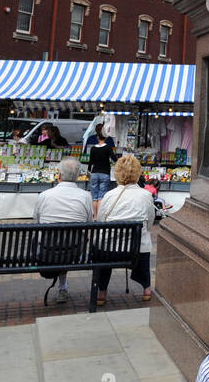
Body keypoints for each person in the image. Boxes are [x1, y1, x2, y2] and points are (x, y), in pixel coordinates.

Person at [93, 155, 156, 304]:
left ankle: (101, 292)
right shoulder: (146, 195)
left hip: (109, 250)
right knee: (144, 240)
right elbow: (150, 222)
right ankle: (146, 288)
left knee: (102, 246)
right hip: (136, 250)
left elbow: (101, 221)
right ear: (138, 173)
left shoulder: (109, 195)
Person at [32, 156, 92, 304]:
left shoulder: (44, 195)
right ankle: (62, 286)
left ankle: (62, 286)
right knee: (70, 239)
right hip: (74, 251)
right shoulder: (85, 196)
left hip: (47, 249)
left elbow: (37, 221)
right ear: (78, 176)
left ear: (59, 175)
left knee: (49, 238)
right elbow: (88, 222)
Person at [86, 123, 116, 216]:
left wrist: (89, 171)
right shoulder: (108, 147)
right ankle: (99, 216)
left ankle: (95, 216)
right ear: (105, 138)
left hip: (94, 173)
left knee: (94, 197)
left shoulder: (93, 148)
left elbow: (90, 162)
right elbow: (114, 159)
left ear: (97, 138)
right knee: (101, 197)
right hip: (105, 173)